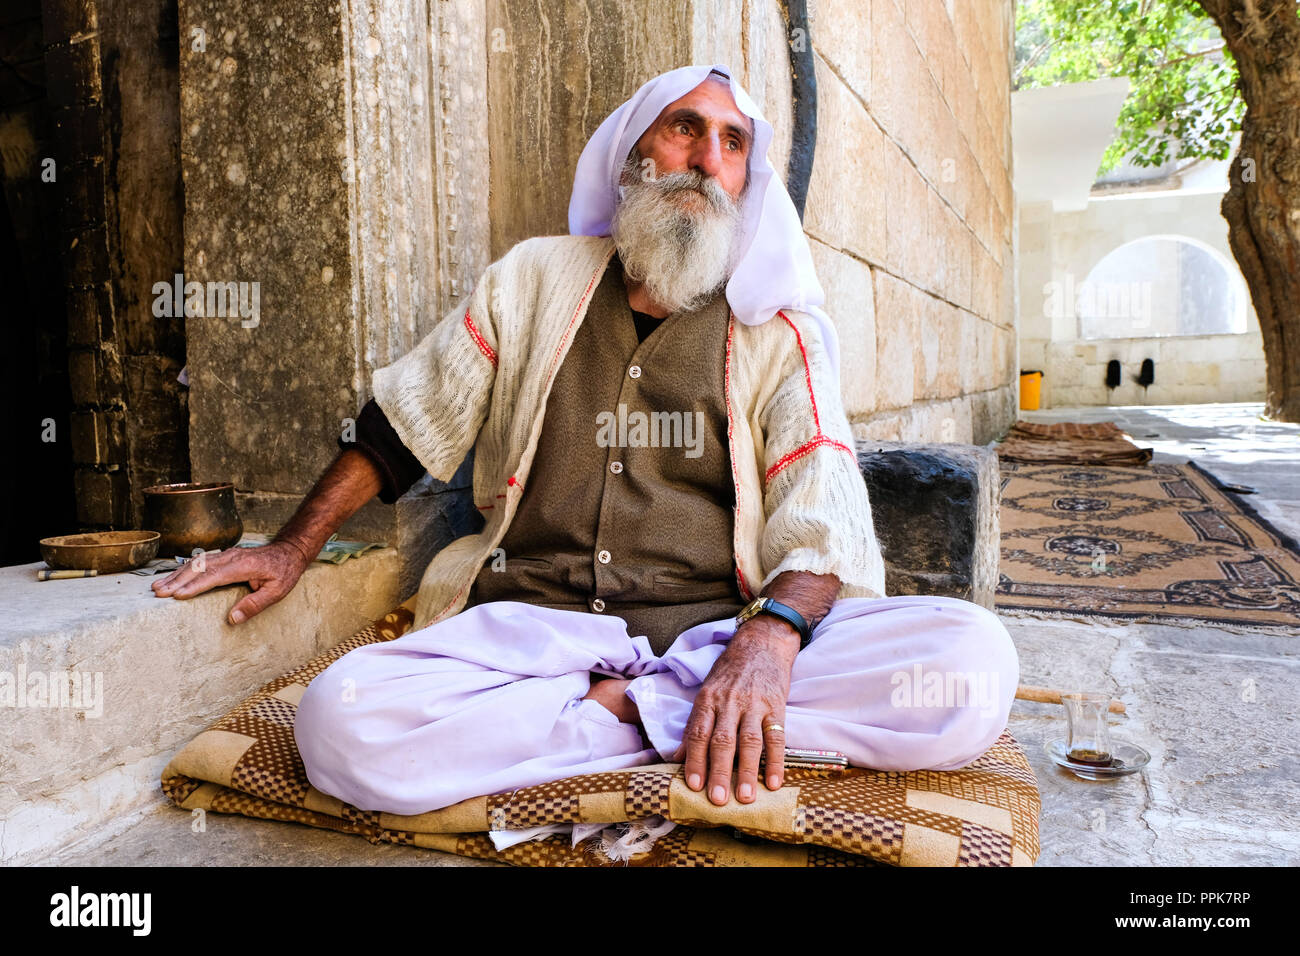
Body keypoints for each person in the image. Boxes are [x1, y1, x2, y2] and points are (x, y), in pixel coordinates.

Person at [153, 64, 1018, 816]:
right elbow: (405, 425)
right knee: (338, 722)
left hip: (710, 638)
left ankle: (622, 718)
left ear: (747, 175)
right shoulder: (534, 279)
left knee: (970, 665)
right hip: (530, 634)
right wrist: (295, 547)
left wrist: (767, 641)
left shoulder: (773, 331)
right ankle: (659, 728)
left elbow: (821, 516)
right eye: (685, 128)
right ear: (637, 153)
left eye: (730, 141)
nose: (706, 157)